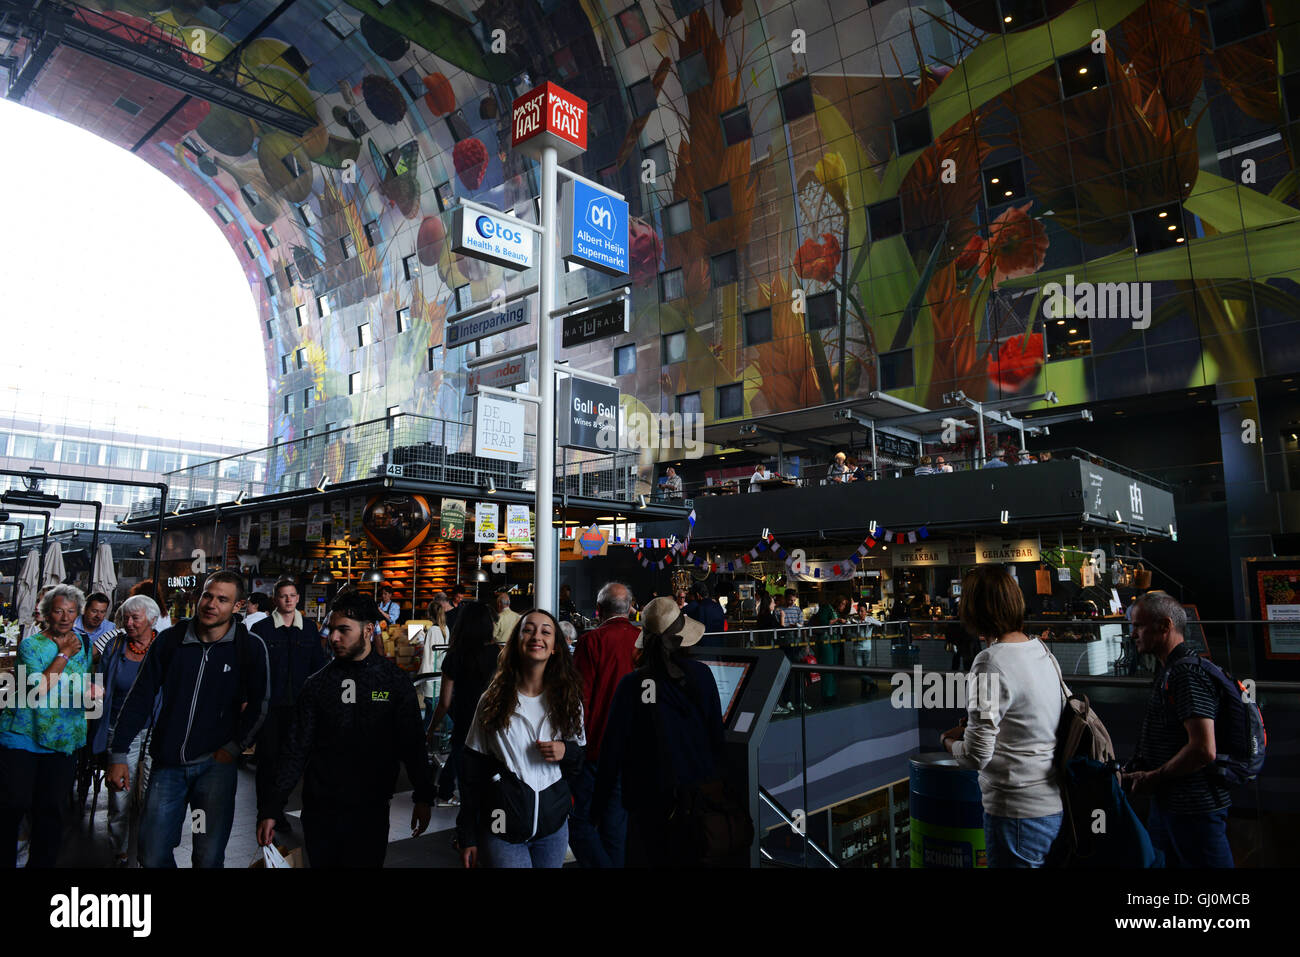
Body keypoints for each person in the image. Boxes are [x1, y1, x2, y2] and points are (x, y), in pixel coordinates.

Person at [256, 591, 434, 867]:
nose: (334, 638)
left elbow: (412, 742)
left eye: (343, 630)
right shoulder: (317, 684)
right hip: (320, 808)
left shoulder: (393, 682)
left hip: (371, 809)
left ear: (368, 630)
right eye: (332, 629)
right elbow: (295, 748)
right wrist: (272, 807)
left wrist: (423, 795)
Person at [106, 571, 269, 869]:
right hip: (167, 766)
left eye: (223, 599)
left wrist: (235, 747)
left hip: (214, 769)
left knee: (207, 856)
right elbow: (140, 697)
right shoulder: (171, 641)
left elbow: (261, 704)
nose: (211, 604)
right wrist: (118, 752)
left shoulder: (249, 647)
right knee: (152, 854)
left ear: (237, 606)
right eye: (208, 595)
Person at [591, 597, 727, 867]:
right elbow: (716, 738)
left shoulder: (632, 684)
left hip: (646, 804)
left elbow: (612, 751)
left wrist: (597, 809)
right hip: (696, 801)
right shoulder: (702, 675)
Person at [942, 565, 1062, 868]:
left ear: (974, 609)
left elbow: (974, 756)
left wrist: (946, 741)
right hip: (1053, 806)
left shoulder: (990, 662)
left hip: (1015, 814)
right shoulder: (1041, 650)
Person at [457, 610, 586, 868]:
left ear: (555, 648)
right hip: (502, 828)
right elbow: (471, 771)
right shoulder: (492, 700)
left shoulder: (568, 700)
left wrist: (566, 751)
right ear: (516, 641)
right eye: (528, 630)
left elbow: (579, 760)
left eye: (546, 632)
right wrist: (467, 834)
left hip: (552, 829)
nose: (536, 636)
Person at [1122, 592, 1233, 868]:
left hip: (1194, 809)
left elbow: (1203, 749)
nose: (1132, 634)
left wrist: (1154, 777)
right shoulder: (1170, 671)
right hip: (1171, 805)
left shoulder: (1185, 675)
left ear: (1165, 626)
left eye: (1138, 626)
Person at [1, 585, 100, 868]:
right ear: (46, 614)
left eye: (71, 611)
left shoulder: (86, 643)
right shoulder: (30, 646)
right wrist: (64, 654)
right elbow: (36, 689)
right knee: (13, 805)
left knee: (52, 810)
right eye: (58, 611)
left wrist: (91, 690)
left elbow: (79, 680)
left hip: (63, 736)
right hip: (24, 734)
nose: (66, 617)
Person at [570, 582, 640, 868]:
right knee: (616, 823)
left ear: (598, 611)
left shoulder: (590, 642)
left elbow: (580, 698)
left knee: (580, 823)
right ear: (630, 608)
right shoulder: (643, 640)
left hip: (596, 747)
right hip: (634, 747)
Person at [250, 578, 326, 836]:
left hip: (301, 708)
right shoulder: (262, 629)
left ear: (298, 598)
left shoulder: (309, 630)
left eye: (292, 595)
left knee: (295, 762)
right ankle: (267, 813)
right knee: (268, 762)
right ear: (276, 599)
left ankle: (279, 809)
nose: (289, 600)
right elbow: (253, 669)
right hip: (270, 708)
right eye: (283, 596)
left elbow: (319, 667)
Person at [91, 595, 162, 867]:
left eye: (136, 618)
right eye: (126, 618)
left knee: (151, 797)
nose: (129, 623)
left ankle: (147, 850)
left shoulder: (163, 646)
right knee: (119, 797)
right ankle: (118, 851)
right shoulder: (114, 645)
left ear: (152, 620)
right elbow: (99, 686)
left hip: (154, 730)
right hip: (118, 728)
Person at [430, 601, 499, 807]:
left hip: (463, 718)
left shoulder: (454, 656)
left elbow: (444, 702)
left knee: (461, 760)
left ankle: (456, 804)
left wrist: (431, 728)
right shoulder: (498, 653)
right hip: (491, 719)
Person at [417, 595, 450, 731]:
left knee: (432, 714)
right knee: (434, 713)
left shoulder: (432, 630)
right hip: (440, 677)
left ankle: (425, 739)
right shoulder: (445, 629)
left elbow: (428, 657)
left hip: (431, 679)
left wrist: (421, 680)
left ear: (430, 614)